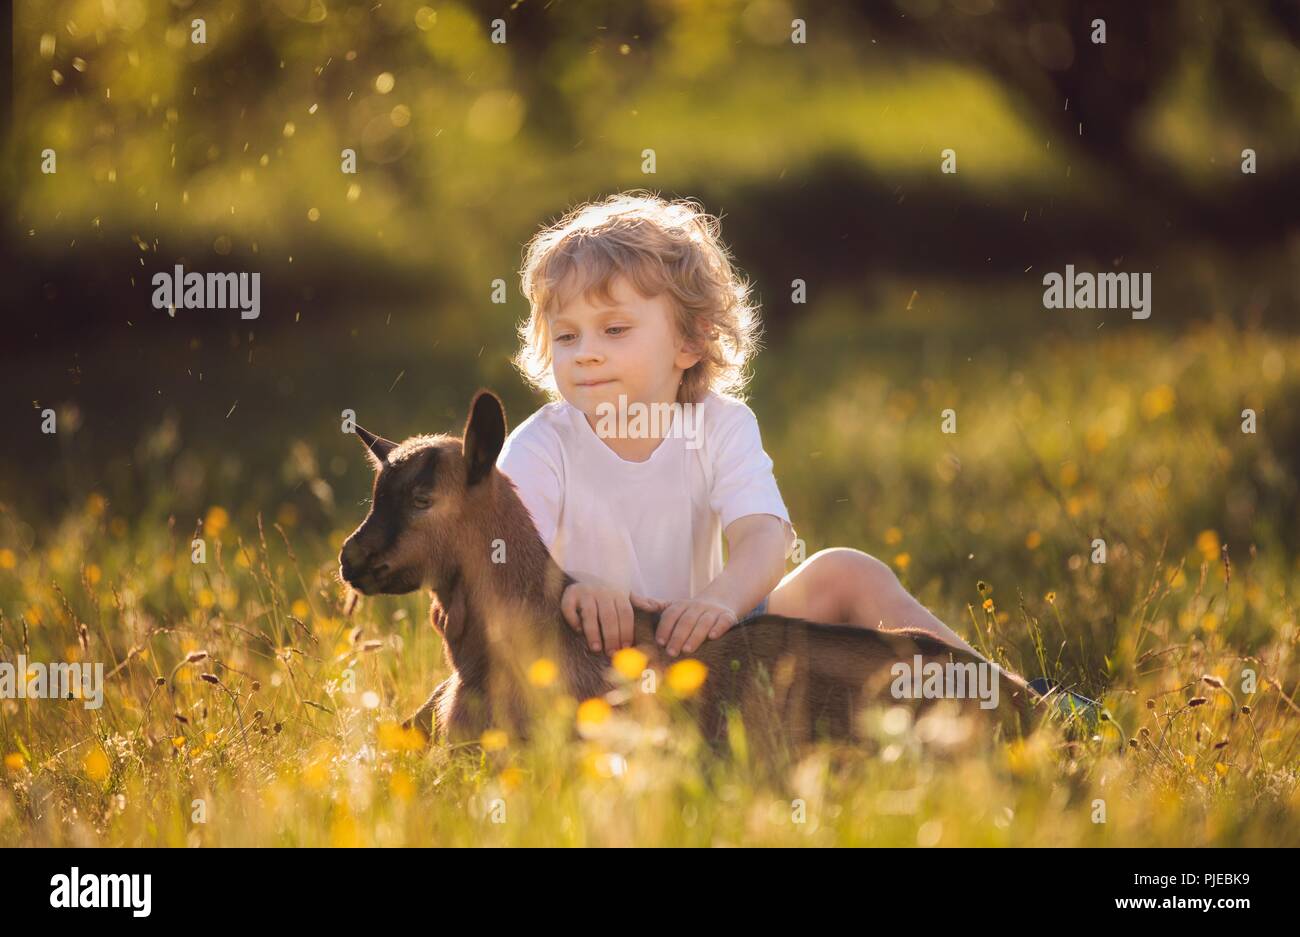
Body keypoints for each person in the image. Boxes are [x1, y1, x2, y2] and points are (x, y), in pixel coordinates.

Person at [498, 190, 990, 663]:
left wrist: (720, 602)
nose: (585, 351)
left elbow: (763, 536)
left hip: (715, 637)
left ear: (690, 342)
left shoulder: (721, 425)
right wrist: (575, 588)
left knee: (849, 571)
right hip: (595, 654)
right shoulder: (541, 446)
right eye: (566, 335)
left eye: (614, 329)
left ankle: (1007, 695)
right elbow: (500, 566)